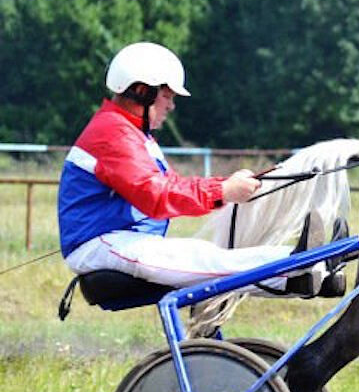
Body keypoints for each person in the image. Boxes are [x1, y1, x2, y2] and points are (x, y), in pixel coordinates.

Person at [57, 41, 341, 297]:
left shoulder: (131, 134)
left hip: (118, 239)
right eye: (167, 96)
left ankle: (307, 273)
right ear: (142, 92)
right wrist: (224, 190)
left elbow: (171, 185)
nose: (171, 106)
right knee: (201, 257)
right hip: (100, 244)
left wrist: (226, 185)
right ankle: (299, 263)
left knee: (205, 257)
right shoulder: (114, 133)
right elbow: (157, 196)